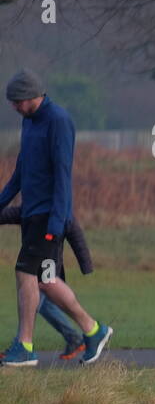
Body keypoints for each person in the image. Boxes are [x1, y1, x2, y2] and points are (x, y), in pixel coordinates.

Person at [0, 69, 112, 366]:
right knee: (46, 282)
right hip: (32, 216)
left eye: (16, 101)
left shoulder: (58, 121)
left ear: (31, 96)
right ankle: (94, 330)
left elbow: (63, 176)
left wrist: (55, 224)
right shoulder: (30, 123)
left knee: (25, 273)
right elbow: (20, 175)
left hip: (49, 217)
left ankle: (24, 346)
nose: (13, 107)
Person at [0, 203, 95, 359]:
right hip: (34, 267)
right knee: (39, 304)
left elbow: (76, 235)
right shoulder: (31, 208)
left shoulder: (60, 211)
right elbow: (8, 214)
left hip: (49, 267)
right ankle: (74, 338)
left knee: (36, 304)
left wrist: (86, 265)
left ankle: (22, 346)